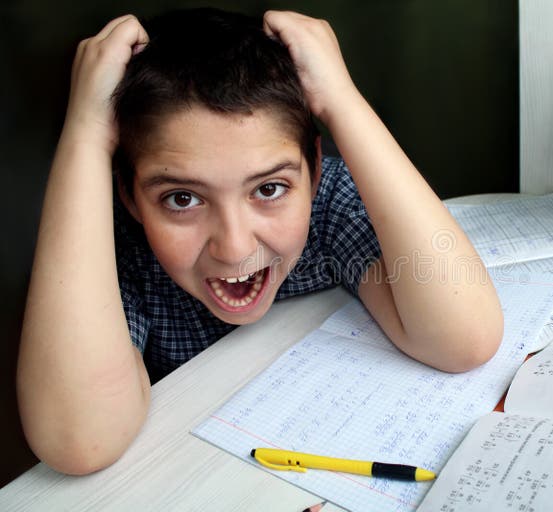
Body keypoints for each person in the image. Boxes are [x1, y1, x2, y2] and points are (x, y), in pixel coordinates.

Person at [17, 8, 503, 475]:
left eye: (268, 189)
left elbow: (464, 338)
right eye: (182, 199)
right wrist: (86, 132)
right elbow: (80, 440)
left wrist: (341, 100)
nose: (233, 247)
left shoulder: (326, 206)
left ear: (312, 171)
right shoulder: (122, 252)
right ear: (129, 195)